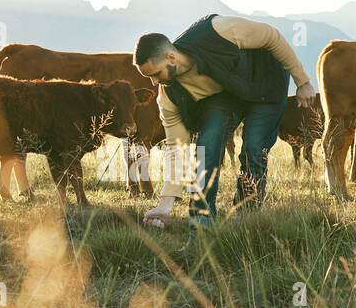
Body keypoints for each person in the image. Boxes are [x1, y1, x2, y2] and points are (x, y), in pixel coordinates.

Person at [134, 14, 316, 229]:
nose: (154, 81)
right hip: (229, 94)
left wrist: (302, 81)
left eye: (156, 73)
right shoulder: (169, 96)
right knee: (206, 146)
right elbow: (176, 149)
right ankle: (202, 219)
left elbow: (271, 36)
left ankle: (246, 215)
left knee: (254, 147)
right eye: (149, 78)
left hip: (265, 82)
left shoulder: (218, 30)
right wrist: (165, 204)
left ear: (171, 58)